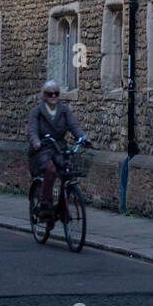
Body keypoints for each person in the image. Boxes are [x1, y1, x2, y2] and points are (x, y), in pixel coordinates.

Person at [27, 80, 90, 219]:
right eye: (50, 93)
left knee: (66, 172)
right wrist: (36, 142)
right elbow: (32, 130)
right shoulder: (36, 112)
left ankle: (63, 206)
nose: (53, 96)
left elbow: (74, 126)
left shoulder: (64, 110)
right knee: (51, 169)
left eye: (56, 93)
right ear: (44, 95)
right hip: (42, 149)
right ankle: (45, 204)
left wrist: (83, 138)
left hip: (59, 147)